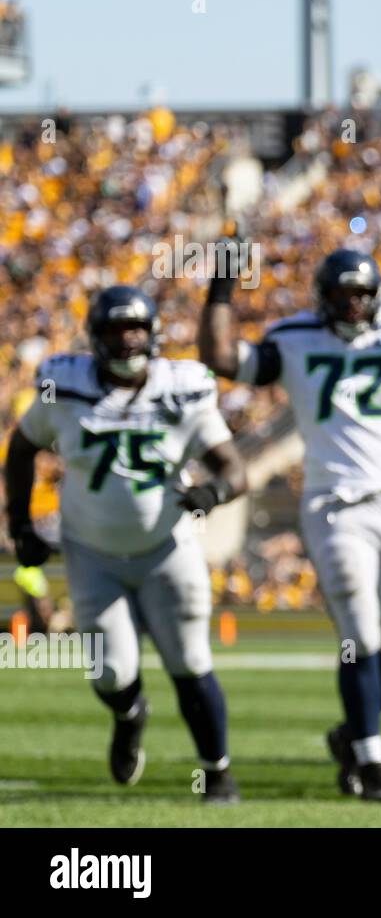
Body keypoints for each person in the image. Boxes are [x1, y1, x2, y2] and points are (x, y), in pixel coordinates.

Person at [199, 244, 381, 802]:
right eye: (342, 295)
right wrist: (221, 284)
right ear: (323, 297)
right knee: (359, 634)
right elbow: (221, 356)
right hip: (332, 503)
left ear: (376, 295)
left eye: (360, 294)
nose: (352, 305)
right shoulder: (294, 336)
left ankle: (349, 734)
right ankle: (371, 762)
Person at [4, 286, 245, 802]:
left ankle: (216, 770)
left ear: (153, 333)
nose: (127, 340)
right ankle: (129, 715)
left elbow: (234, 468)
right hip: (90, 551)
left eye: (135, 328)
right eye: (115, 330)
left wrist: (213, 491)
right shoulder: (60, 385)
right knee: (112, 670)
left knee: (190, 659)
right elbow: (21, 449)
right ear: (95, 337)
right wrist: (21, 525)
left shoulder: (185, 386)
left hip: (167, 545)